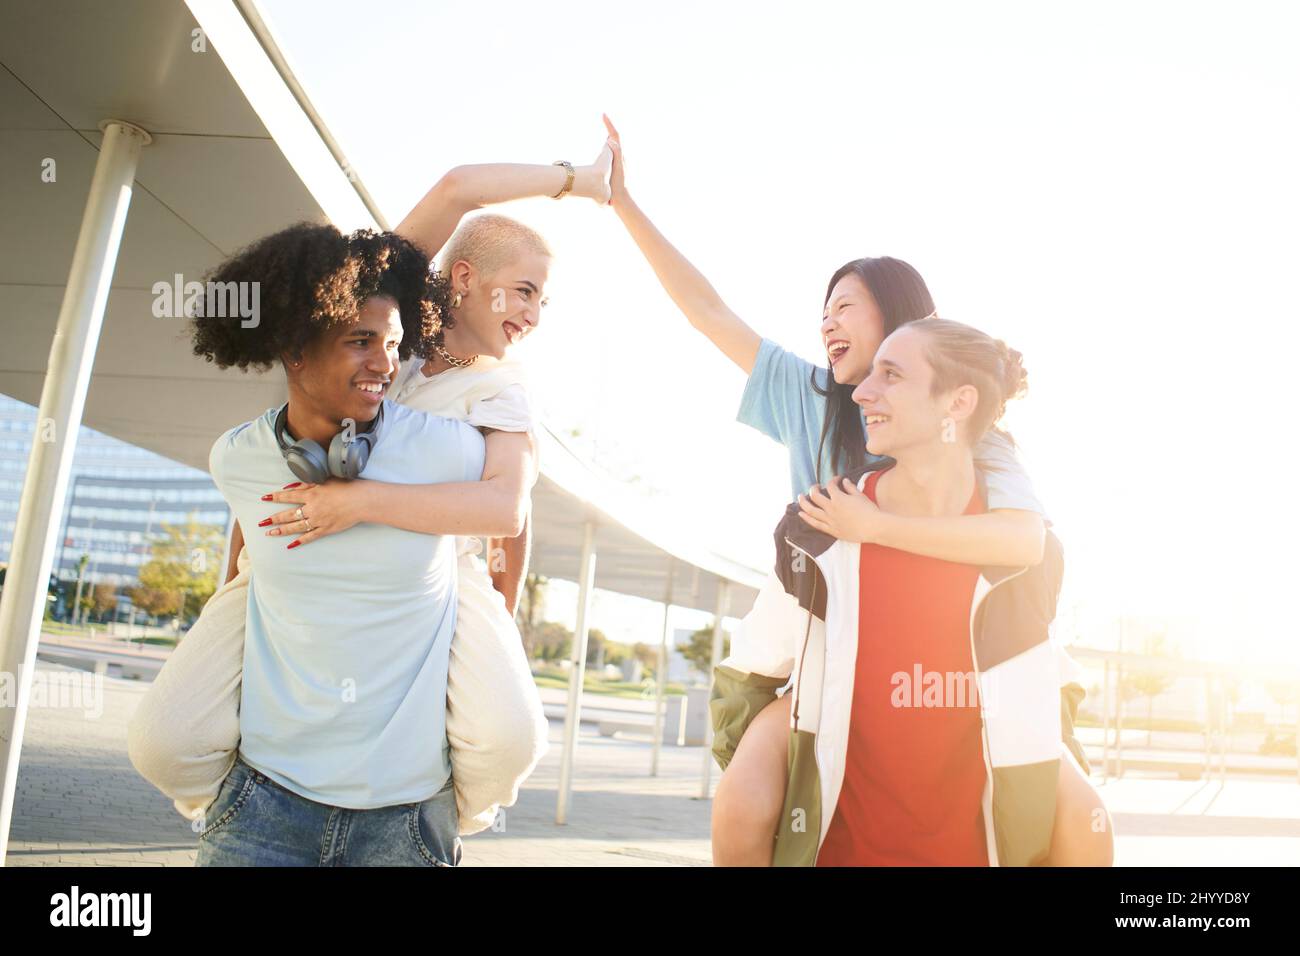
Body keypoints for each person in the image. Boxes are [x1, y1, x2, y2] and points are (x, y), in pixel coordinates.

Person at [599, 116, 1106, 865]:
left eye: (845, 307)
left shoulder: (980, 440)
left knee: (1075, 812)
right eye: (822, 311)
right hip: (827, 642)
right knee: (745, 794)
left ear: (903, 327)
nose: (826, 323)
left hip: (946, 641)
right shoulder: (808, 396)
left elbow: (1022, 540)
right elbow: (707, 313)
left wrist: (874, 527)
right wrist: (622, 203)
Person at [128, 145, 613, 857]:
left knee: (510, 736)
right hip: (296, 548)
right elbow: (458, 185)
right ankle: (249, 799)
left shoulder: (503, 390)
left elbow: (507, 514)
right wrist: (579, 182)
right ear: (468, 279)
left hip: (435, 566)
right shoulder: (391, 321)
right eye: (527, 290)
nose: (536, 314)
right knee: (164, 738)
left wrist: (360, 505)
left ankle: (429, 812)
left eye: (545, 298)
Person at [712, 317, 1112, 866]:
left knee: (1090, 822)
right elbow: (751, 673)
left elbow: (1045, 682)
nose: (862, 390)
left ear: (958, 403)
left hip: (976, 852)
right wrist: (772, 777)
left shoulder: (1029, 556)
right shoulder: (817, 531)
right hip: (835, 849)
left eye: (891, 374)